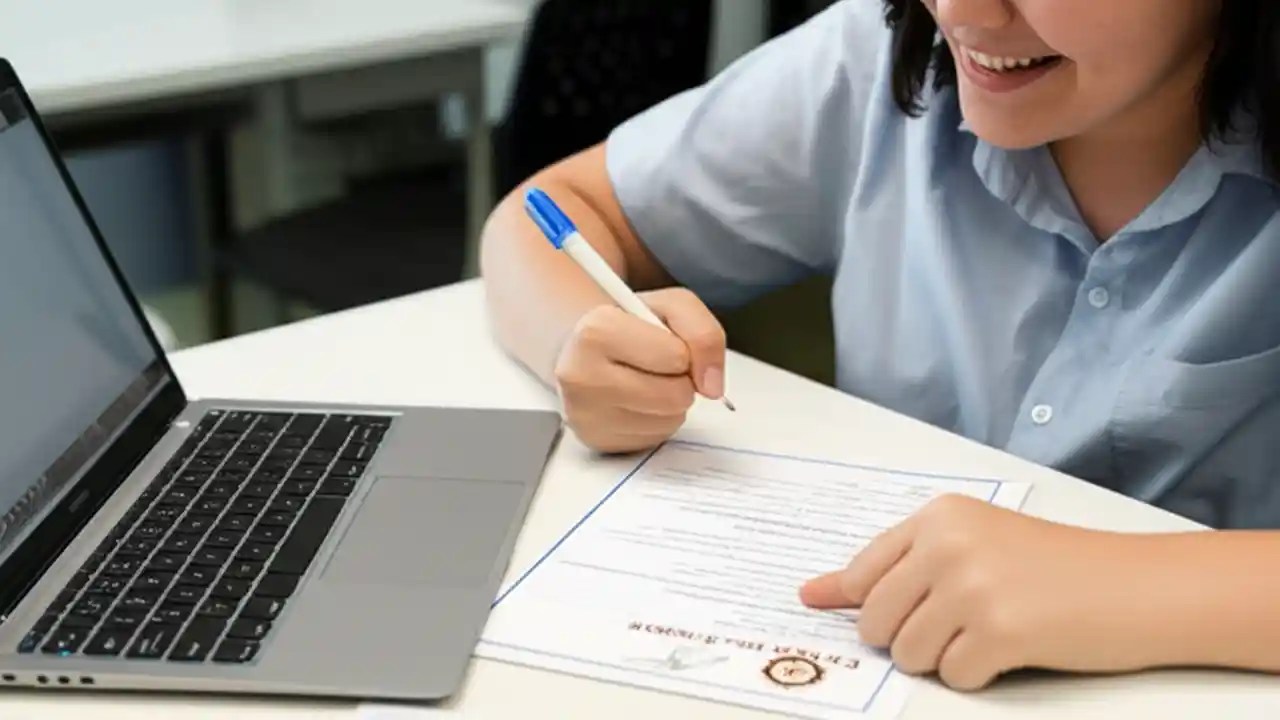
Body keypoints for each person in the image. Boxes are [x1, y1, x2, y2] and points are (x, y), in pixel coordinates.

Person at [480, 0, 1280, 691]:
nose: (965, 13)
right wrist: (579, 341)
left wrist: (1124, 590)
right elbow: (552, 211)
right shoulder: (879, 56)